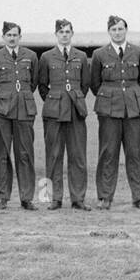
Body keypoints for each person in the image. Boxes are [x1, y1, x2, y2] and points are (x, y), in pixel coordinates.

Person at [90, 15, 140, 209]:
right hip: (109, 110)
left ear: (126, 30)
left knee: (136, 152)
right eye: (114, 29)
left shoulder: (138, 52)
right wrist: (110, 97)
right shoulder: (100, 54)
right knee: (108, 152)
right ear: (109, 32)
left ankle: (139, 197)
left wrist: (131, 96)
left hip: (133, 109)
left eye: (120, 29)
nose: (117, 33)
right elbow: (94, 83)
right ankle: (105, 197)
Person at [36, 18, 90, 210]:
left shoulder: (81, 56)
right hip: (54, 111)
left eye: (67, 32)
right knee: (53, 155)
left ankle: (78, 199)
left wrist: (74, 99)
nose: (64, 35)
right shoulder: (46, 57)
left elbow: (85, 84)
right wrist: (54, 100)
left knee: (78, 156)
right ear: (56, 34)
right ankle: (53, 198)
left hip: (76, 110)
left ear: (72, 33)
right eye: (61, 32)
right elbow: (42, 85)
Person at [0, 21, 39, 210]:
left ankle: (26, 197)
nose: (12, 38)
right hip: (2, 111)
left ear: (20, 37)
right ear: (3, 38)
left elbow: (34, 83)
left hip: (24, 110)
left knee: (25, 154)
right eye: (8, 35)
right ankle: (3, 197)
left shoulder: (30, 56)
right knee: (2, 155)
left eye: (15, 35)